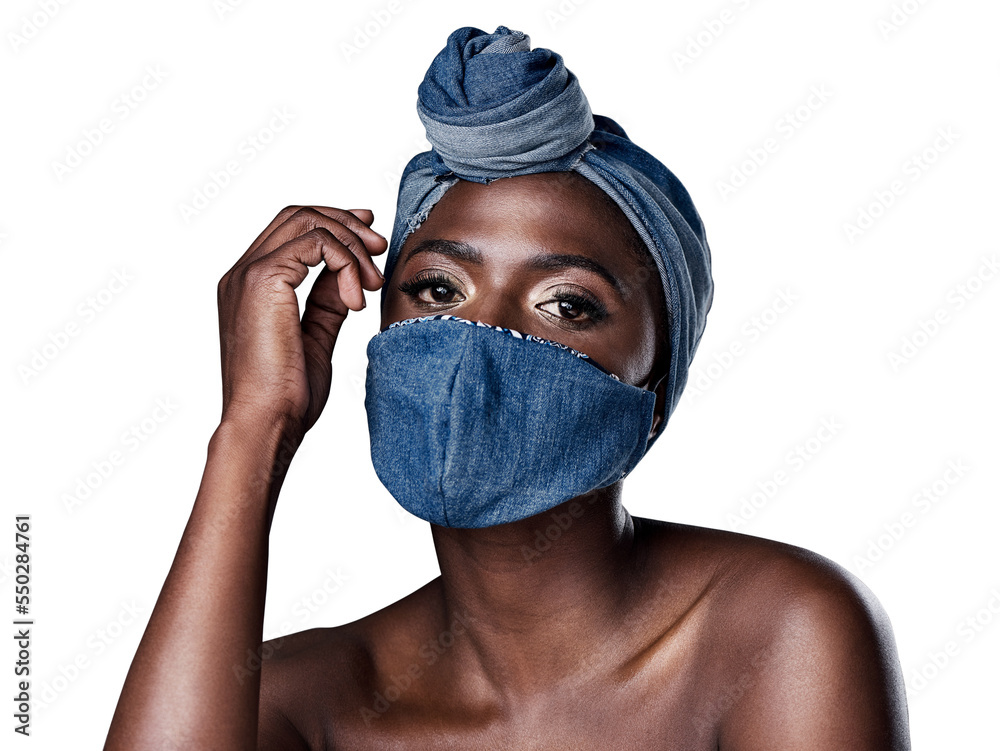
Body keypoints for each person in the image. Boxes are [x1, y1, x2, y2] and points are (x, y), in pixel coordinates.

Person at [105, 26, 910, 750]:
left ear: (656, 389)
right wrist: (254, 428)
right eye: (438, 290)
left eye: (566, 304)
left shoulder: (779, 635)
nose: (479, 336)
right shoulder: (298, 700)